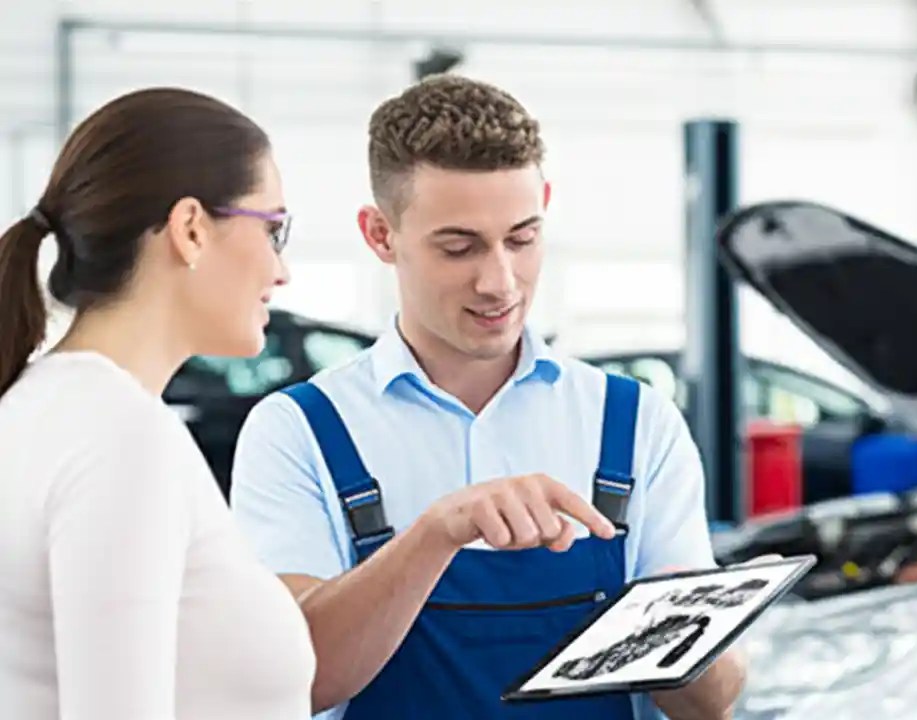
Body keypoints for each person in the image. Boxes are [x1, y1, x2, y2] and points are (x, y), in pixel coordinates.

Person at [229, 74, 747, 720]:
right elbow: (294, 680)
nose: (499, 281)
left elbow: (710, 706)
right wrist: (438, 535)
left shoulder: (637, 423)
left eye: (522, 238)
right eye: (459, 246)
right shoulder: (297, 433)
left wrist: (699, 623)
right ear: (379, 236)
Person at [0, 87, 315, 719]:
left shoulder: (42, 403)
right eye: (273, 229)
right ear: (191, 229)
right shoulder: (119, 435)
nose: (283, 272)